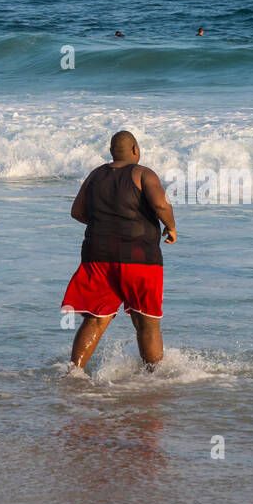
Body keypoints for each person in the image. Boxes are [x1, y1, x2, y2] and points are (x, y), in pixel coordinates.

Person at [62, 131, 177, 369]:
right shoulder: (143, 173)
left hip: (97, 257)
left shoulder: (95, 175)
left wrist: (107, 226)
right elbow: (160, 203)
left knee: (94, 320)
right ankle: (154, 377)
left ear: (112, 151)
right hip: (140, 259)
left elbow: (77, 212)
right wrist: (171, 226)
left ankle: (74, 373)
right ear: (135, 149)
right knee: (147, 322)